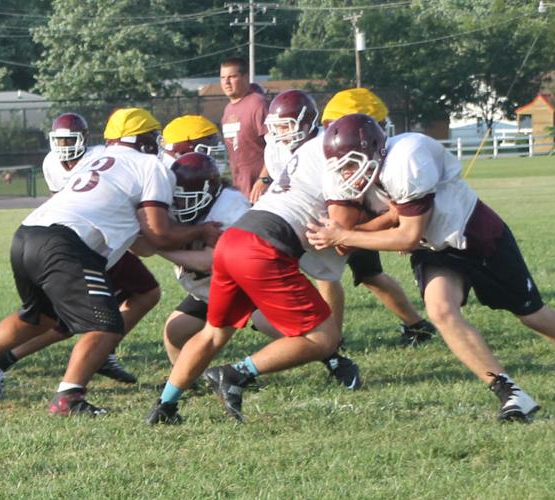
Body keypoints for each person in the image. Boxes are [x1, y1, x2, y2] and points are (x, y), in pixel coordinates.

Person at [306, 114, 555, 421]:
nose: (345, 174)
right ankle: (508, 391)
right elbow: (394, 218)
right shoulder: (361, 174)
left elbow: (407, 235)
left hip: (477, 235)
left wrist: (348, 234)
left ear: (374, 151)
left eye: (351, 165)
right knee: (441, 311)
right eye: (340, 167)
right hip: (435, 249)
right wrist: (349, 233)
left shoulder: (407, 157)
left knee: (533, 315)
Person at [0, 107, 221, 416]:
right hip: (66, 243)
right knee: (106, 324)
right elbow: (158, 234)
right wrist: (201, 230)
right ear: (147, 140)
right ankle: (69, 398)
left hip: (27, 233)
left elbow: (141, 240)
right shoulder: (149, 165)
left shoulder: (93, 159)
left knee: (39, 318)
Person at [146, 114, 354, 425]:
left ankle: (165, 407)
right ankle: (234, 373)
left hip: (233, 245)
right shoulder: (331, 170)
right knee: (324, 337)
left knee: (214, 333)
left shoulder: (282, 171)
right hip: (261, 252)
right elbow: (343, 238)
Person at [0, 112, 151, 398]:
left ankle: (102, 350)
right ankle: (0, 361)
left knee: (142, 292)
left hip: (89, 238)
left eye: (68, 139)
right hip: (81, 242)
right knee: (66, 318)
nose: (63, 145)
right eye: (58, 139)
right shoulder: (53, 162)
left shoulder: (97, 156)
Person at [319, 88, 436, 346]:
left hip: (351, 216)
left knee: (334, 270)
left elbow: (344, 242)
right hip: (344, 212)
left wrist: (397, 222)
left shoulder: (397, 161)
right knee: (367, 274)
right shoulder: (336, 155)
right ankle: (417, 325)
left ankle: (332, 342)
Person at [219, 57, 269, 202]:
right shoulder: (228, 109)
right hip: (240, 190)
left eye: (232, 77)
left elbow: (277, 146)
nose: (226, 82)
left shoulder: (258, 104)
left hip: (262, 192)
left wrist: (264, 179)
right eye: (223, 77)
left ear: (245, 77)